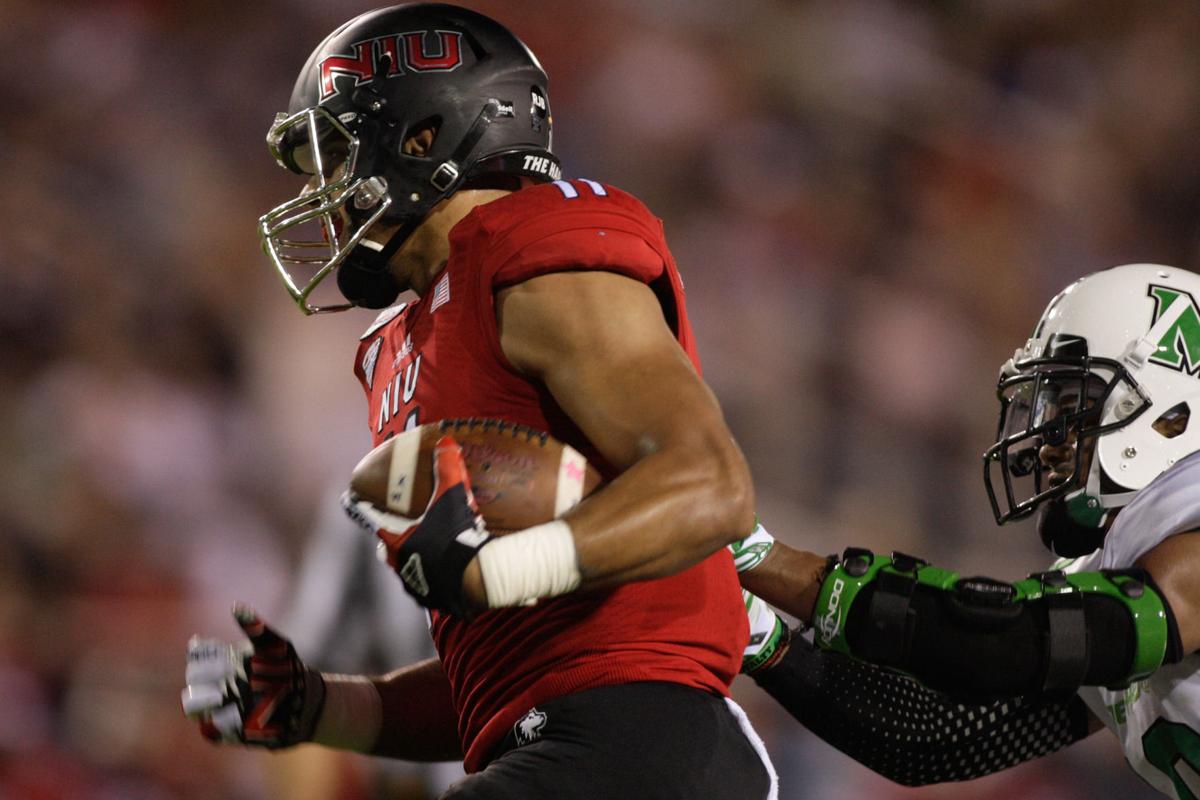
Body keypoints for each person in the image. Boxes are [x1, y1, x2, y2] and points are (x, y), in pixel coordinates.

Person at [181, 4, 821, 798]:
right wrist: (322, 706)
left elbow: (711, 488)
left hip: (645, 744)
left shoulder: (534, 252)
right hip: (566, 748)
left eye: (337, 154)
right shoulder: (406, 341)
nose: (323, 191)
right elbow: (500, 686)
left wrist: (506, 567)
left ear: (423, 139)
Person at [742, 263, 1200, 797]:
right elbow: (939, 734)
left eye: (1071, 406)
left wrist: (763, 560)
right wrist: (762, 638)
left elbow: (1001, 639)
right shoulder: (1123, 567)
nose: (1047, 441)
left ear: (1173, 413)